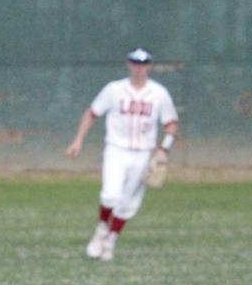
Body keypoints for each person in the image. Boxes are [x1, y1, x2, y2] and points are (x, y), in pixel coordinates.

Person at [65, 48, 179, 261]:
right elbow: (92, 113)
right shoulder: (114, 90)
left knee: (127, 204)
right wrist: (78, 140)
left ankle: (111, 241)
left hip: (143, 153)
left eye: (143, 63)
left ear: (149, 66)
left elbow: (171, 124)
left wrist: (164, 149)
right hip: (116, 149)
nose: (139, 67)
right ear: (128, 64)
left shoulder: (159, 93)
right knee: (110, 195)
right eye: (135, 63)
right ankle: (101, 230)